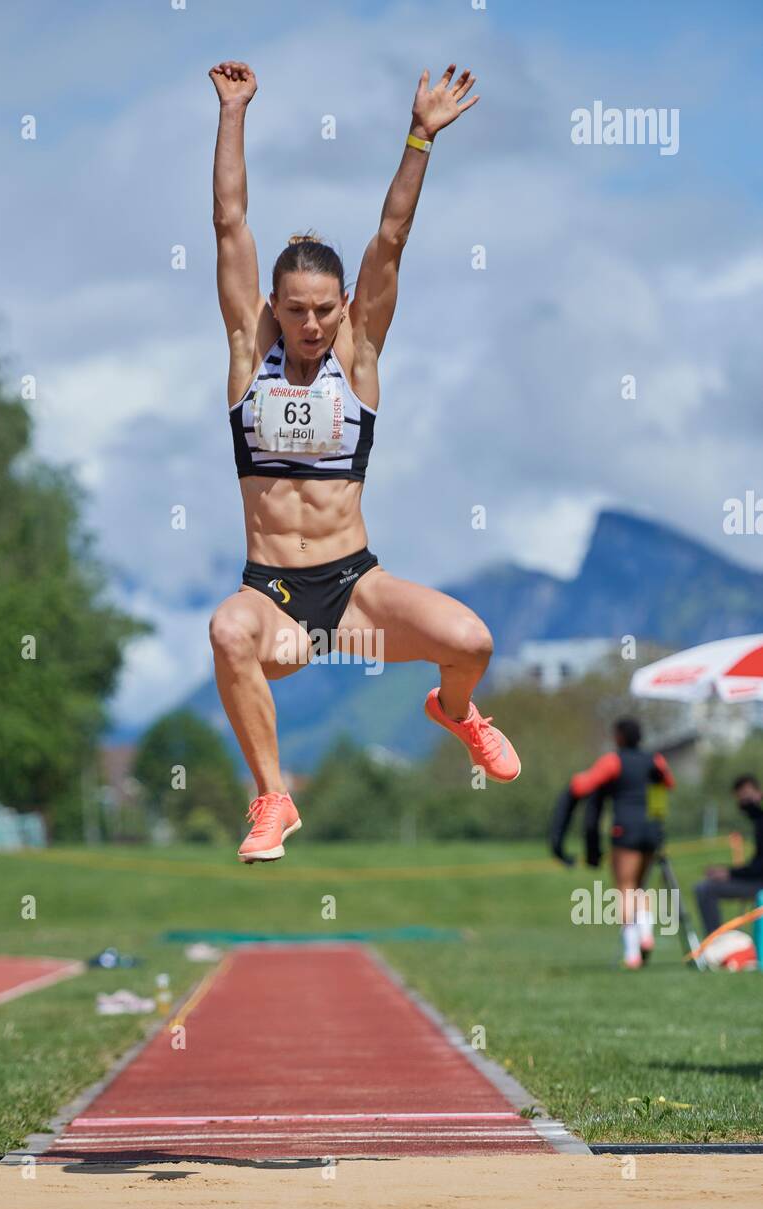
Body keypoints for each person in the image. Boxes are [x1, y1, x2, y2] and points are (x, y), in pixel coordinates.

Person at [207, 59, 521, 863]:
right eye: (297, 310)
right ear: (272, 308)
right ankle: (273, 801)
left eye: (324, 310)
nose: (311, 325)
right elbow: (231, 225)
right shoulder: (250, 355)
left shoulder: (360, 355)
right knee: (225, 630)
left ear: (343, 307)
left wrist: (420, 136)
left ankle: (456, 712)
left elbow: (391, 236)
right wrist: (234, 111)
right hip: (275, 599)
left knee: (474, 641)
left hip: (355, 591)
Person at [550, 718, 675, 968]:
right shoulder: (656, 760)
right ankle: (647, 934)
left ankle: (632, 953)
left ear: (619, 736)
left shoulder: (613, 761)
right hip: (651, 831)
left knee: (625, 887)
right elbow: (669, 784)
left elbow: (582, 785)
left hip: (625, 831)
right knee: (641, 886)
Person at [694, 774, 763, 940]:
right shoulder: (758, 820)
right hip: (755, 879)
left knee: (705, 889)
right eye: (741, 798)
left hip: (759, 883)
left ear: (759, 793)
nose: (745, 801)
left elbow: (761, 867)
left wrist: (730, 873)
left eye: (748, 795)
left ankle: (715, 942)